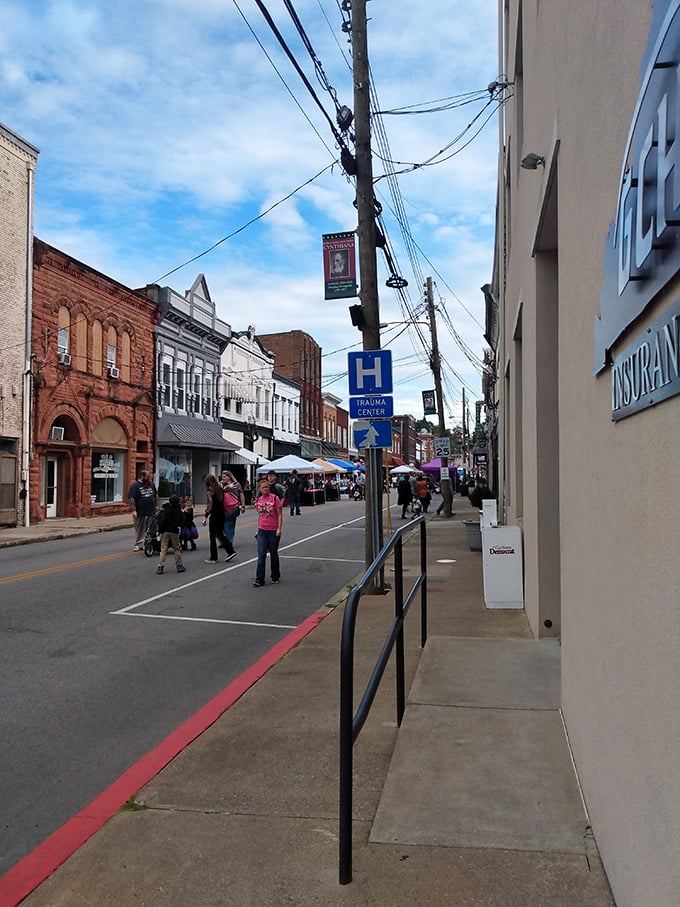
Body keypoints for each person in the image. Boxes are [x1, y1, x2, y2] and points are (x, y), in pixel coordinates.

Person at [253, 475, 283, 587]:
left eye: (267, 487)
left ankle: (275, 576)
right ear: (260, 489)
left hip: (273, 530)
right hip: (262, 530)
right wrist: (258, 530)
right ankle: (259, 578)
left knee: (273, 554)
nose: (266, 489)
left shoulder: (275, 498)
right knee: (261, 554)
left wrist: (279, 528)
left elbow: (279, 515)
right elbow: (260, 516)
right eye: (263, 487)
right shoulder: (259, 501)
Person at [202, 474, 236, 564]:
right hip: (222, 514)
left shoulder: (210, 491)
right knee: (221, 534)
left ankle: (214, 557)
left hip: (214, 515)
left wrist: (206, 516)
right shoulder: (220, 489)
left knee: (212, 536)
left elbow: (210, 505)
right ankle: (230, 551)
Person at [128, 469, 157, 551]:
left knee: (150, 528)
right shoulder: (135, 486)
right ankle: (138, 544)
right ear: (142, 476)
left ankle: (147, 543)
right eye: (147, 477)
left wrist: (156, 505)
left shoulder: (151, 485)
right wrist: (133, 510)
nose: (149, 479)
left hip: (151, 510)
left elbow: (154, 496)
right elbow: (132, 499)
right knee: (140, 528)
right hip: (140, 511)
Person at [156, 495, 186, 574]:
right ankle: (179, 565)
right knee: (176, 549)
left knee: (163, 549)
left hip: (165, 531)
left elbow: (162, 521)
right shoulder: (179, 511)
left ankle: (160, 566)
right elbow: (182, 522)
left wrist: (159, 530)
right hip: (174, 531)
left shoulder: (166, 510)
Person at [220, 469, 246, 549]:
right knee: (222, 525)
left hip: (233, 507)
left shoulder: (234, 485)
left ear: (229, 477)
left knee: (229, 525)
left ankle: (229, 541)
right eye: (222, 477)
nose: (223, 478)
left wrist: (243, 505)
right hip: (223, 507)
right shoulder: (222, 485)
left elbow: (241, 494)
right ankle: (224, 541)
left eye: (224, 477)